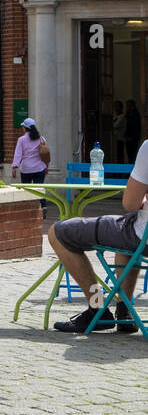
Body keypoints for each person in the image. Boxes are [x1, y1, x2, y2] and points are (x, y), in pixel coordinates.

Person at [49, 136, 148, 334]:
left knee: (58, 233)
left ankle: (97, 307)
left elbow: (130, 203)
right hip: (134, 235)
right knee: (124, 232)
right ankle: (125, 311)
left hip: (141, 237)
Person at [11, 118, 49, 184]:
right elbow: (45, 154)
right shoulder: (41, 139)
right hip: (39, 168)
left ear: (25, 128)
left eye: (23, 127)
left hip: (26, 169)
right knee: (39, 191)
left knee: (27, 191)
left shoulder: (21, 140)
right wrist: (46, 166)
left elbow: (18, 154)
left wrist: (14, 167)